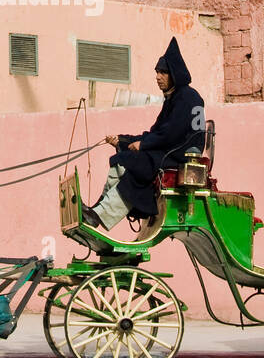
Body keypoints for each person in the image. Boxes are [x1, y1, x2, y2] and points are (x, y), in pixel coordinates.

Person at [83, 37, 205, 230]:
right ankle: (97, 211)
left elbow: (171, 134)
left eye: (163, 72)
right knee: (122, 159)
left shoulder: (187, 97)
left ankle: (100, 214)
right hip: (169, 151)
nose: (158, 77)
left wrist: (144, 145)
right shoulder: (174, 98)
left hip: (180, 156)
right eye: (157, 72)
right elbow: (156, 132)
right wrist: (123, 141)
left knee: (138, 166)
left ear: (174, 73)